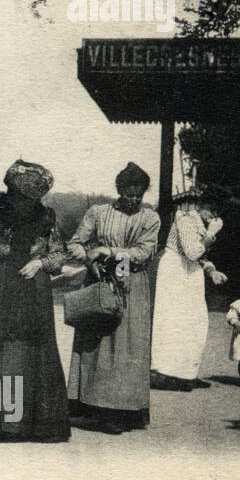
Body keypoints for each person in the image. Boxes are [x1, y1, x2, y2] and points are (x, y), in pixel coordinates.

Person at [0, 160, 70, 443]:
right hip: (4, 288)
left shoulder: (48, 217)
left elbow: (60, 255)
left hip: (36, 288)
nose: (21, 199)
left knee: (36, 349)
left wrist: (40, 262)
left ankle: (34, 424)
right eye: (17, 193)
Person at [65, 162, 161, 434]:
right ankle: (88, 406)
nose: (134, 199)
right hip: (99, 284)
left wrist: (105, 250)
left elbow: (143, 253)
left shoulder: (150, 218)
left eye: (139, 194)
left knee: (126, 349)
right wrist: (88, 260)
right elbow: (75, 242)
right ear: (119, 190)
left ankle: (121, 411)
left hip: (133, 285)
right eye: (129, 193)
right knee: (95, 346)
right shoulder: (98, 212)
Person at [150, 186, 232, 391]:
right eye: (212, 209)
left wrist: (211, 270)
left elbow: (201, 258)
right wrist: (212, 233)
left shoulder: (200, 224)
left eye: (218, 212)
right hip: (175, 272)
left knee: (195, 321)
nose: (214, 215)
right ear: (202, 205)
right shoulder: (185, 218)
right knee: (173, 322)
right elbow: (193, 251)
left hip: (190, 274)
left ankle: (187, 373)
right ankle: (165, 373)